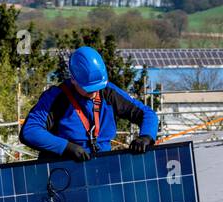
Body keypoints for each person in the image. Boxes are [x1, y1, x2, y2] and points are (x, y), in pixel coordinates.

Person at [20, 46, 159, 162]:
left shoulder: (108, 92)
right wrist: (66, 147)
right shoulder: (57, 97)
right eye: (88, 89)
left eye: (97, 88)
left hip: (102, 166)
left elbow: (147, 114)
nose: (94, 93)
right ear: (73, 79)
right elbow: (30, 131)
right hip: (64, 170)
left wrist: (146, 136)